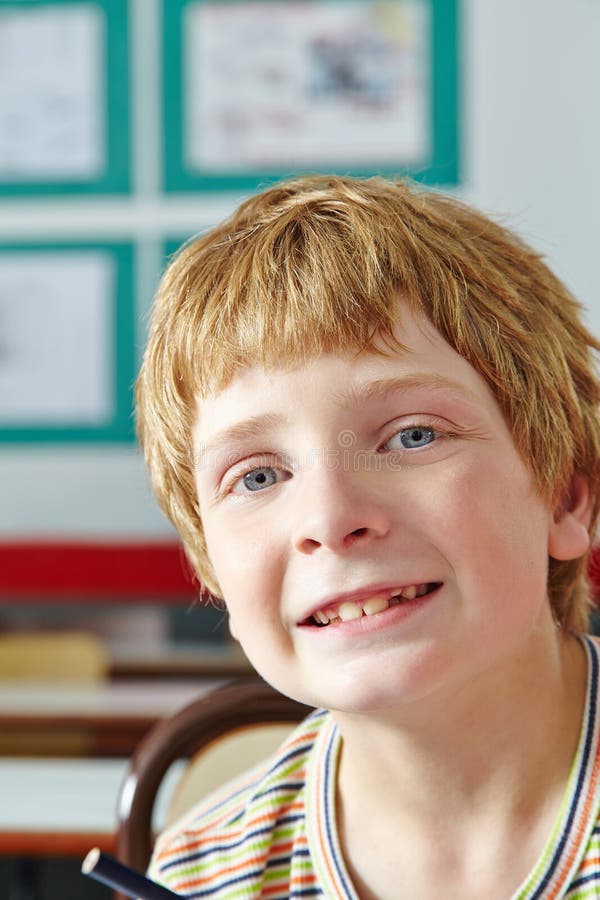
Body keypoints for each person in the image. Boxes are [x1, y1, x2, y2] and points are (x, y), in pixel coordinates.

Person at [136, 174, 600, 899]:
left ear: (567, 495)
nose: (329, 518)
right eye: (257, 478)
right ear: (212, 566)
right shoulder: (204, 876)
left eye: (413, 436)